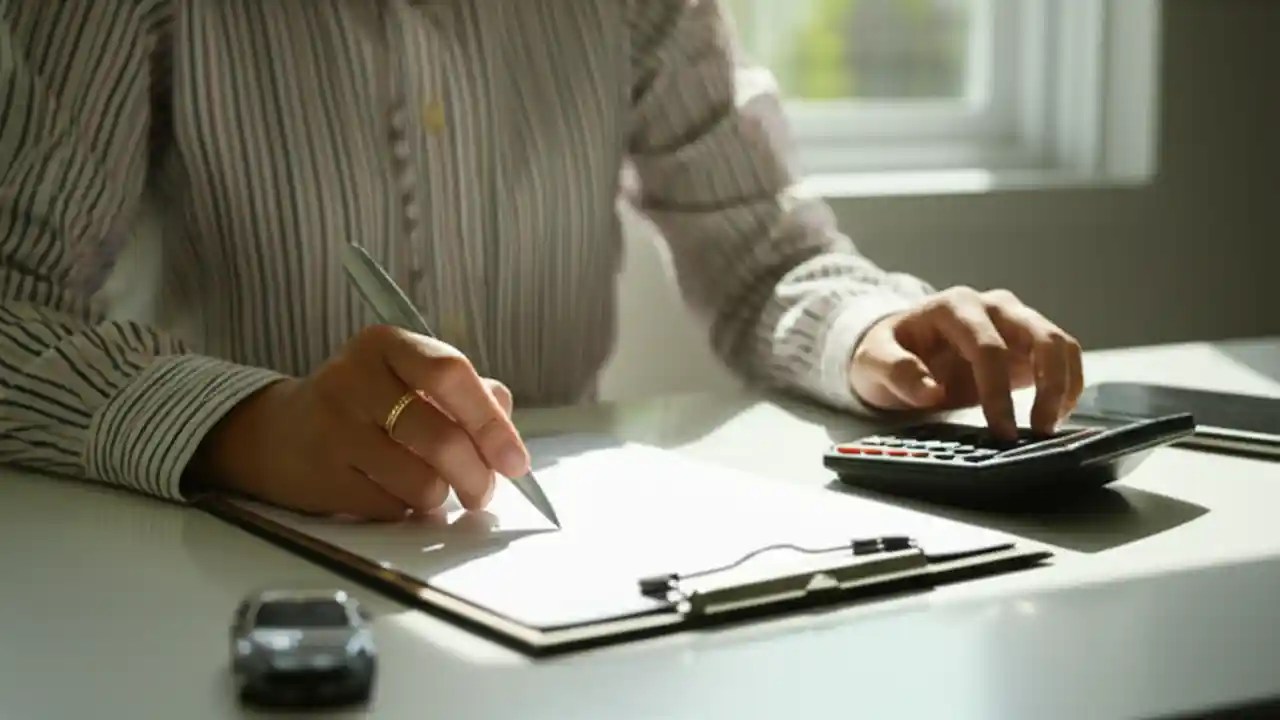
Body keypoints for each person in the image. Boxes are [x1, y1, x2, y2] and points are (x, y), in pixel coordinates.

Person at [0, 0, 1082, 521]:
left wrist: (870, 333)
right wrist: (250, 424)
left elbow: (765, 255)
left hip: (551, 584)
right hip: (233, 572)